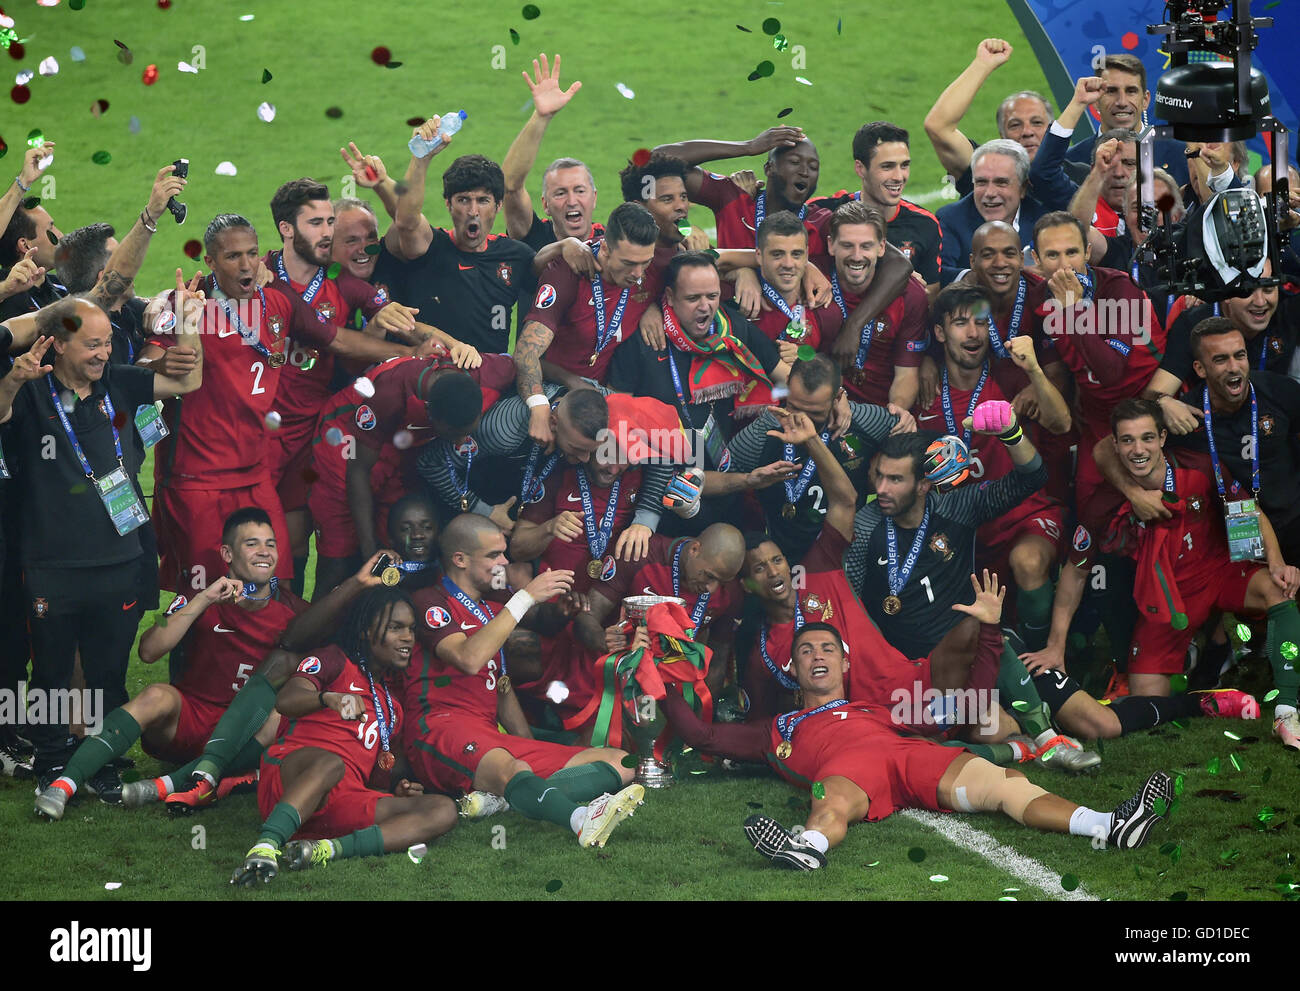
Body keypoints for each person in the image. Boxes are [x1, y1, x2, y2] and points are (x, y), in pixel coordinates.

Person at [660, 609, 1174, 871]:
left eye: (826, 648)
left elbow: (971, 702)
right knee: (831, 796)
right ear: (793, 669)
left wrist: (990, 632)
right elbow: (702, 734)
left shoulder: (879, 708)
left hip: (909, 757)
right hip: (846, 773)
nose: (816, 655)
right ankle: (808, 847)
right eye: (805, 651)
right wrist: (656, 681)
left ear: (844, 662)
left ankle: (1109, 824)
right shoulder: (774, 731)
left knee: (1004, 782)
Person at [140, 212, 437, 594]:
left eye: (251, 254)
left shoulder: (276, 305)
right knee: (205, 596)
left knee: (274, 584)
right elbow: (143, 367)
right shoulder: (190, 308)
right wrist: (164, 360)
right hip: (199, 480)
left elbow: (339, 340)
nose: (246, 265)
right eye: (232, 257)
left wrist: (408, 355)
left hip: (254, 474)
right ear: (210, 262)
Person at [0, 286, 203, 787]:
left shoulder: (120, 382)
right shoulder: (29, 388)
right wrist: (9, 384)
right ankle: (52, 760)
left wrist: (189, 323)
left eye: (107, 342)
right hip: (51, 562)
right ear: (59, 344)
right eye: (91, 345)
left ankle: (100, 760)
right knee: (50, 676)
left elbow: (189, 382)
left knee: (107, 671)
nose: (103, 353)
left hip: (119, 557)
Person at [33, 508, 304, 819]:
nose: (264, 552)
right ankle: (64, 785)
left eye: (271, 544)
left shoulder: (294, 613)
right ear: (227, 553)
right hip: (191, 720)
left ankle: (166, 785)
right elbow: (149, 650)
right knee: (156, 694)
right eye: (252, 544)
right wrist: (203, 600)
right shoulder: (198, 594)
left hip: (245, 731)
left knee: (276, 713)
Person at [405, 513, 646, 846]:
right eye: (493, 556)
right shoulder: (429, 602)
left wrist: (529, 741)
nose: (504, 562)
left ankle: (504, 798)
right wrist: (525, 597)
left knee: (621, 763)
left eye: (504, 553)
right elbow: (469, 659)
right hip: (440, 727)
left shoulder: (491, 605)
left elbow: (501, 687)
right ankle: (579, 820)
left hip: (489, 733)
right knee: (511, 769)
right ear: (459, 560)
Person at [263, 177, 433, 593]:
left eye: (327, 223)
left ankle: (292, 619)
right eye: (318, 224)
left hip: (309, 428)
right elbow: (336, 340)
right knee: (256, 535)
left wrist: (450, 344)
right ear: (288, 229)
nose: (324, 233)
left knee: (296, 532)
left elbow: (401, 318)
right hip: (259, 426)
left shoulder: (341, 281)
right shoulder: (261, 273)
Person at [231, 586, 459, 885]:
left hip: (344, 797)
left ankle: (326, 849)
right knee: (331, 764)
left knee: (442, 810)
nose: (408, 638)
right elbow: (286, 700)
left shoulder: (393, 707)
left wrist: (397, 789)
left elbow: (374, 778)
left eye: (412, 629)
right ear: (366, 631)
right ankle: (265, 847)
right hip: (294, 774)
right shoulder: (335, 661)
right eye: (396, 628)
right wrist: (328, 698)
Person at [1099, 400, 1297, 728]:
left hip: (1218, 572)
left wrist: (1274, 563)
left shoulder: (1201, 468)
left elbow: (1247, 512)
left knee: (1279, 589)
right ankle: (1201, 695)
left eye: (1147, 438)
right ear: (1115, 445)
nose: (1139, 449)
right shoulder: (1110, 495)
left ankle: (1287, 711)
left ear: (1163, 438)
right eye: (1128, 440)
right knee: (1148, 701)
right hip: (1169, 601)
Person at [915, 285, 1069, 650]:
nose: (973, 333)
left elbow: (1061, 424)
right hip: (955, 525)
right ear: (939, 333)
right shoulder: (923, 388)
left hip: (1021, 514)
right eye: (960, 323)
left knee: (1029, 562)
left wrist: (1033, 369)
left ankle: (1038, 658)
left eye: (981, 323)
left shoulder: (1009, 376)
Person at [1031, 211, 1164, 531]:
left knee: (1156, 503)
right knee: (1090, 516)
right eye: (1052, 254)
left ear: (1088, 252)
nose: (1064, 265)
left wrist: (1075, 309)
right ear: (1036, 259)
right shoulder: (1038, 299)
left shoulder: (1119, 290)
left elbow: (1110, 370)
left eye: (1072, 252)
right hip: (1097, 418)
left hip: (1145, 407)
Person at [725, 354, 904, 563]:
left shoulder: (865, 421)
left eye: (814, 413)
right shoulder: (761, 433)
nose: (802, 420)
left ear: (837, 398)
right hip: (786, 560)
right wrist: (747, 481)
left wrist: (905, 423)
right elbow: (722, 478)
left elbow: (909, 443)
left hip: (850, 558)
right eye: (794, 407)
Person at [514, 201, 662, 444]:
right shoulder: (567, 273)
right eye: (628, 263)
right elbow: (524, 354)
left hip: (603, 397)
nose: (638, 274)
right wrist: (540, 408)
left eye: (644, 262)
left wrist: (655, 305)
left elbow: (710, 265)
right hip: (551, 391)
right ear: (604, 248)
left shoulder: (650, 268)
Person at [375, 139, 537, 354]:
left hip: (492, 374)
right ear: (448, 204)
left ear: (498, 206)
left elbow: (555, 281)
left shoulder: (516, 256)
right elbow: (406, 220)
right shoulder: (429, 247)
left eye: (483, 200)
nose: (473, 211)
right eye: (463, 200)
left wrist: (566, 246)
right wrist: (420, 159)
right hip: (433, 369)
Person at [813, 202, 930, 407]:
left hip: (879, 411)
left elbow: (906, 374)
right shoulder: (814, 281)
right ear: (831, 245)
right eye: (847, 245)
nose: (857, 256)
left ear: (882, 247)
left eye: (866, 246)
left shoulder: (911, 295)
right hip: (821, 404)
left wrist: (896, 412)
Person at [809, 121, 943, 292]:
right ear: (860, 169)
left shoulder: (925, 224)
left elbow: (930, 298)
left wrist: (913, 291)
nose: (898, 177)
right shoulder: (821, 212)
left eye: (904, 165)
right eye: (887, 166)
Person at [652, 125, 828, 251]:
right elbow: (656, 160)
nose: (805, 172)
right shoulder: (735, 197)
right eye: (794, 162)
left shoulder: (822, 221)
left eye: (813, 167)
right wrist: (748, 147)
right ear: (769, 168)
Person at [501, 54, 602, 251]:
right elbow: (509, 186)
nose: (572, 201)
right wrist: (541, 117)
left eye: (580, 191)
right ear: (545, 204)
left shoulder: (613, 242)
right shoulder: (532, 238)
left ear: (594, 198)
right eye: (560, 193)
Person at [924, 39, 1059, 185]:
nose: (1027, 132)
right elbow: (938, 126)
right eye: (1015, 125)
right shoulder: (985, 172)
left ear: (1052, 130)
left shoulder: (1077, 174)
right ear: (1002, 137)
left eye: (1037, 123)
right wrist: (982, 64)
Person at [1065, 54, 1189, 188]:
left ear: (1145, 100)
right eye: (1111, 91)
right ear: (1095, 101)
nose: (1122, 102)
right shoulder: (1072, 159)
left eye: (1131, 91)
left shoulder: (1181, 155)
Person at [937, 139, 1048, 285]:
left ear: (1023, 188)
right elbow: (938, 273)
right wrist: (996, 275)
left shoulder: (1043, 220)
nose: (989, 193)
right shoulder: (950, 218)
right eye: (981, 182)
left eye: (1001, 182)